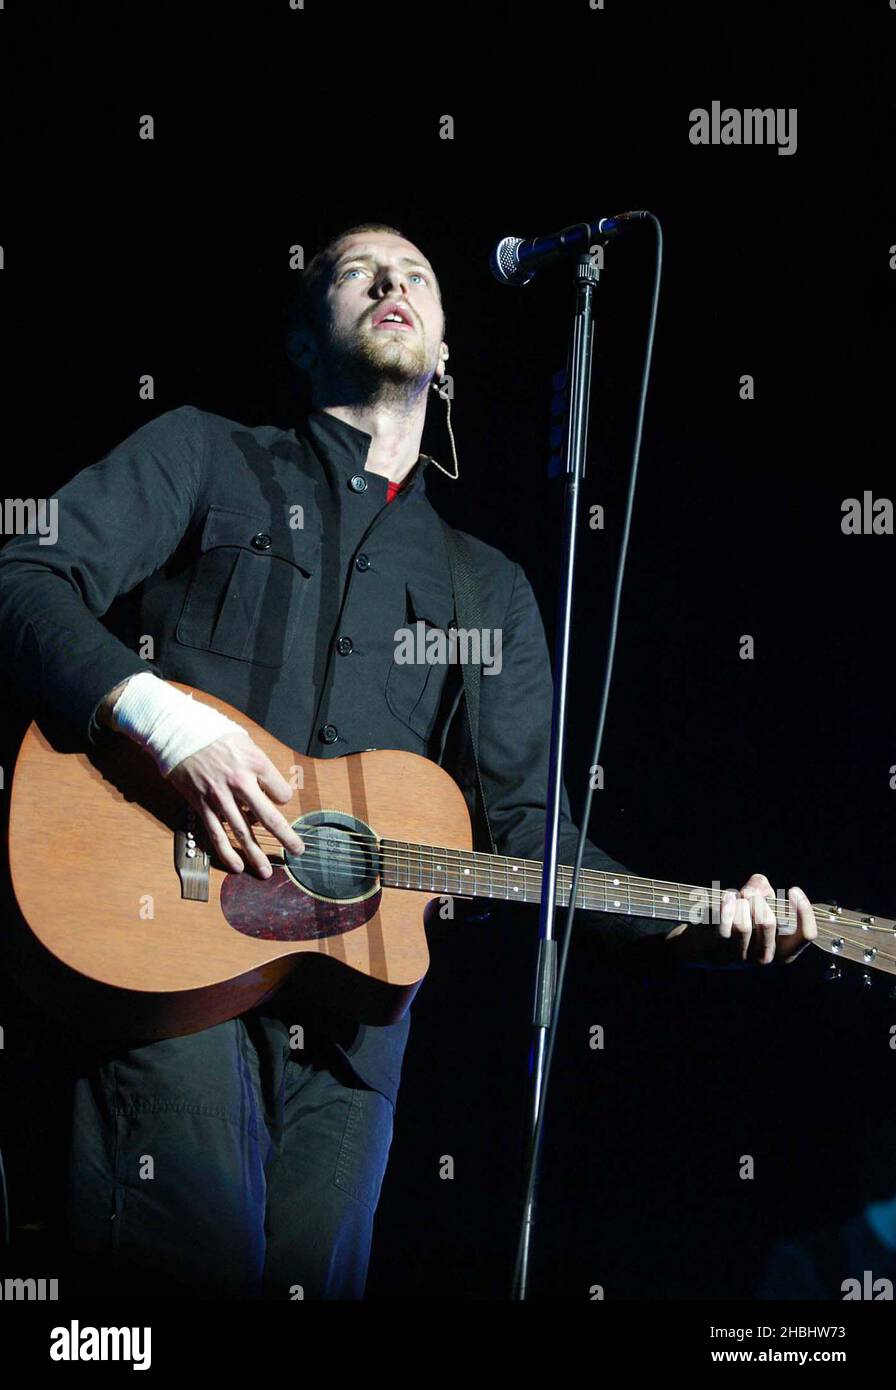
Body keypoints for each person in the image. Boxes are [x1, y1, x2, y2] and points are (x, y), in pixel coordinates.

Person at [0, 222, 819, 1300]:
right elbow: (24, 573)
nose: (392, 281)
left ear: (444, 354)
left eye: (418, 276)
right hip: (158, 964)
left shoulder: (489, 590)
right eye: (356, 271)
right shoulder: (202, 451)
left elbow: (528, 834)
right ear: (304, 343)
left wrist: (694, 919)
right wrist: (160, 720)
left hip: (353, 1046)